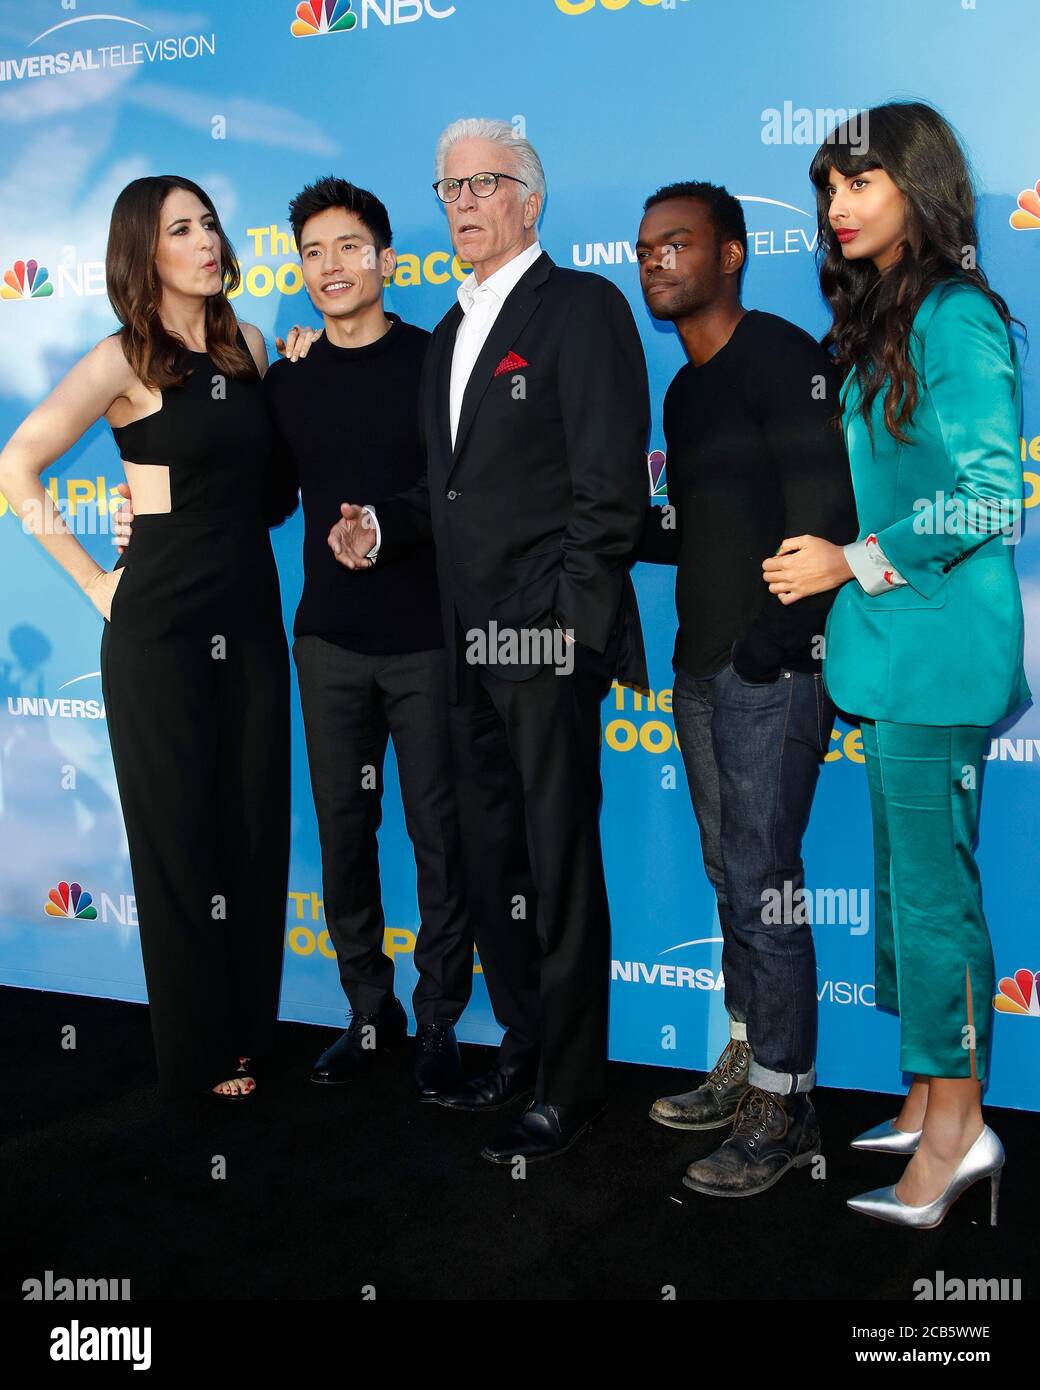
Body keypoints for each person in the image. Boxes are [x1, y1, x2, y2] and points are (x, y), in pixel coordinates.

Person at [328, 117, 650, 1163]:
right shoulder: (447, 333)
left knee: (556, 862)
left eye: (483, 182)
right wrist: (383, 525)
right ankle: (521, 1043)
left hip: (543, 647)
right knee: (488, 854)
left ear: (529, 199)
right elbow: (446, 489)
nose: (463, 202)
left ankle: (573, 1080)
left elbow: (608, 500)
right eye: (446, 187)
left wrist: (562, 634)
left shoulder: (582, 309)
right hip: (457, 646)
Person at [764, 101, 1029, 1227]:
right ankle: (929, 1095)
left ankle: (961, 1131)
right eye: (826, 188)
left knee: (931, 906)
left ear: (915, 187)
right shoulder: (894, 313)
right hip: (897, 660)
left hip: (938, 655)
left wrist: (849, 558)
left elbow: (988, 495)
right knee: (905, 892)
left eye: (856, 184)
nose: (833, 209)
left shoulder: (954, 315)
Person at [0, 175, 298, 1102]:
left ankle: (247, 1033)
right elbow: (19, 462)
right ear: (145, 251)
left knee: (252, 828)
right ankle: (198, 1056)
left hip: (248, 615)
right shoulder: (122, 358)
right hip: (160, 625)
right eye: (182, 228)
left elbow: (267, 489)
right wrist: (96, 580)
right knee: (177, 840)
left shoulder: (250, 344)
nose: (206, 240)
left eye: (209, 222)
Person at [635, 182, 858, 1196]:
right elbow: (691, 526)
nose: (654, 261)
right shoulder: (682, 391)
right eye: (644, 249)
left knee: (766, 879)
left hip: (766, 674)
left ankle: (784, 1096)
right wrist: (588, 514)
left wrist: (769, 652)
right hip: (695, 670)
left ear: (730, 254)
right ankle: (743, 1051)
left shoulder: (779, 359)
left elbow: (825, 517)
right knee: (734, 877)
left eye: (675, 244)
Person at [258, 176, 473, 1099]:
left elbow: (459, 495)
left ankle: (437, 1023)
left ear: (385, 260)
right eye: (313, 252)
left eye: (349, 247)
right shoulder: (289, 378)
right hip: (328, 646)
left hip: (425, 640)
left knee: (439, 837)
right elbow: (265, 496)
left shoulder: (436, 363)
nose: (331, 267)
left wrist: (384, 523)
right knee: (346, 834)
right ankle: (368, 1011)